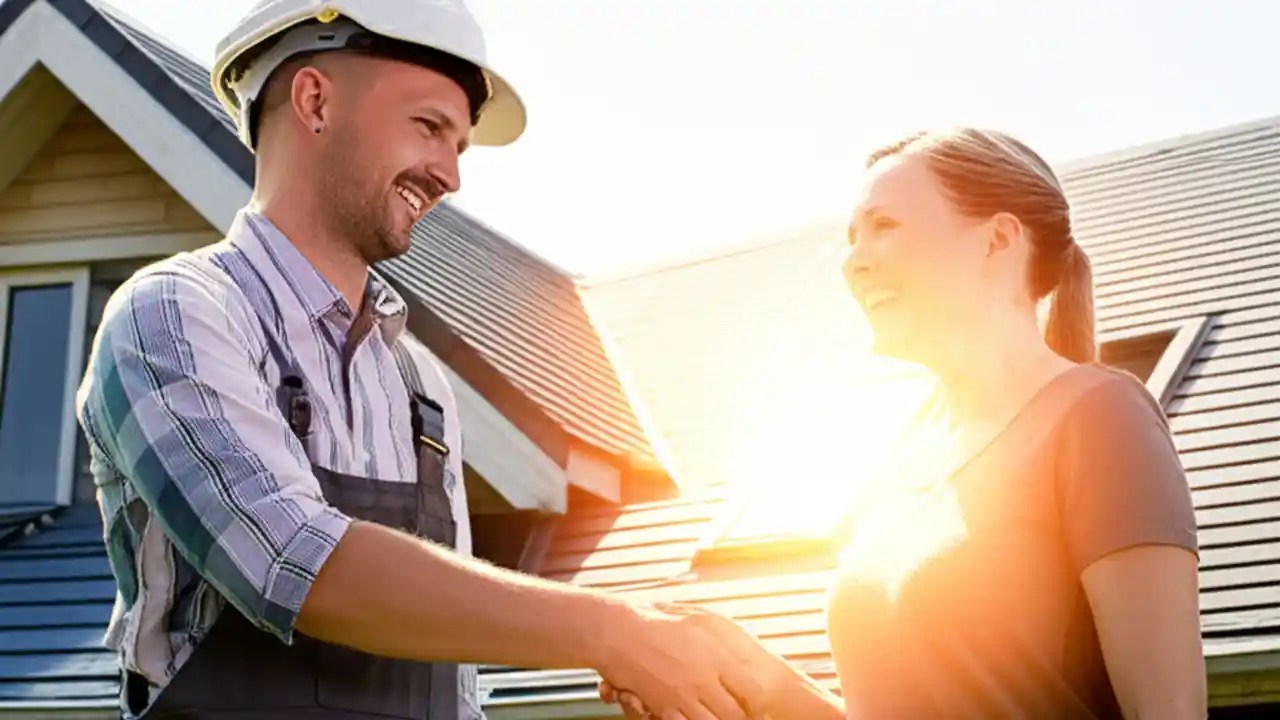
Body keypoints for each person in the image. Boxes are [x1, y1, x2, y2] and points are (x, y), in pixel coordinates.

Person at [75, 2, 770, 719]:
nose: (450, 175)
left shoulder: (421, 389)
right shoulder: (176, 314)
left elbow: (452, 683)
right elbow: (297, 565)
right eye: (429, 127)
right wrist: (614, 632)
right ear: (315, 101)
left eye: (459, 147)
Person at [602, 128, 1207, 719]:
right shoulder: (900, 457)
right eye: (850, 238)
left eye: (883, 227)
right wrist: (748, 678)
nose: (851, 264)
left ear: (997, 240)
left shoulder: (1099, 417)